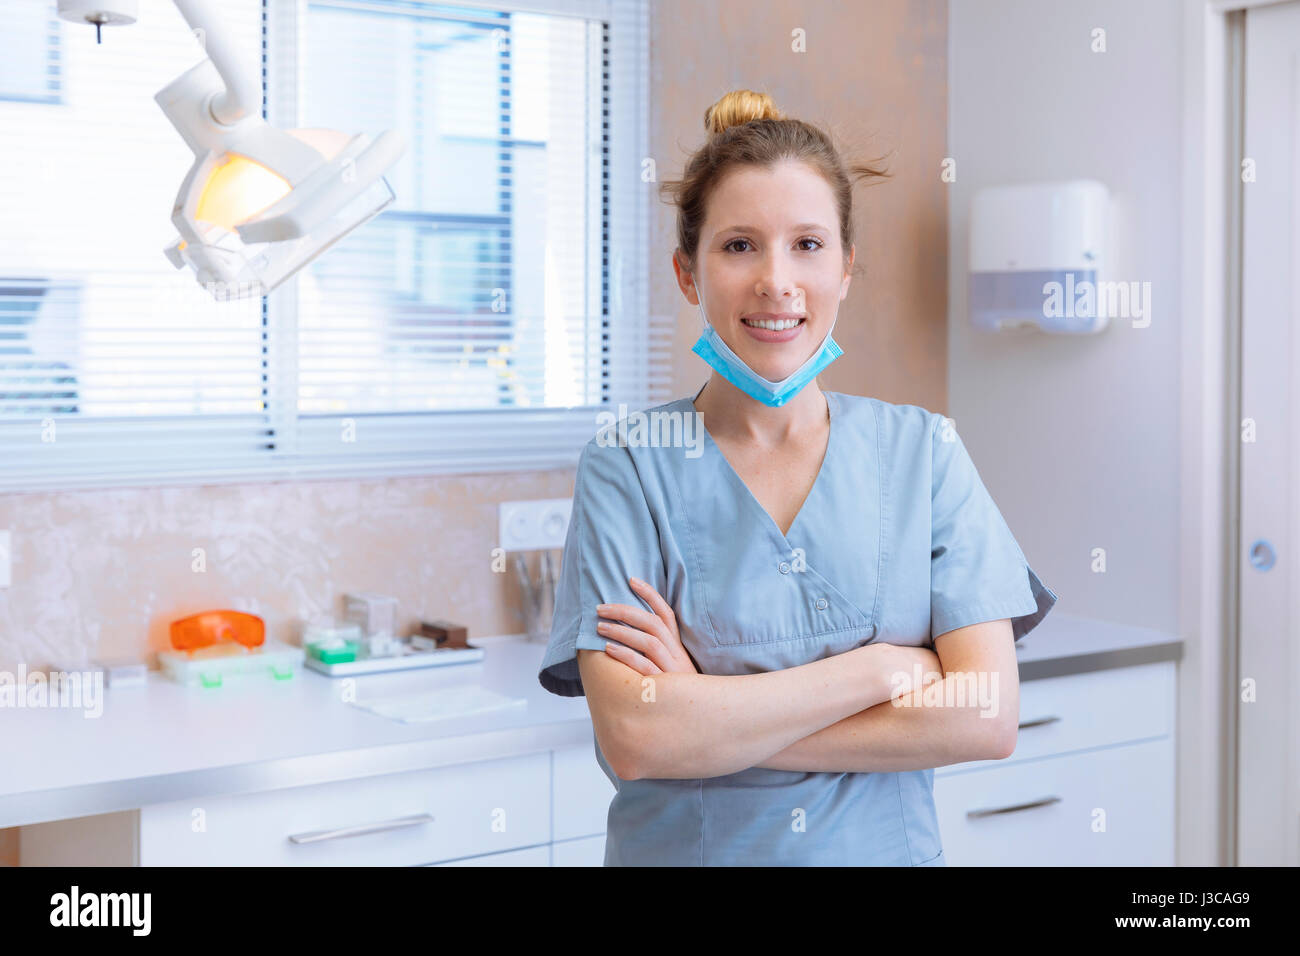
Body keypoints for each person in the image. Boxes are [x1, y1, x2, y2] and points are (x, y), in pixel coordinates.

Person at [538, 89, 1058, 866]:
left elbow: (984, 716)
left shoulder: (923, 452)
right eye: (739, 245)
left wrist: (709, 719)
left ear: (847, 269)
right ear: (688, 272)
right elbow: (640, 737)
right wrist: (882, 670)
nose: (777, 281)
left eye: (808, 245)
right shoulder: (629, 465)